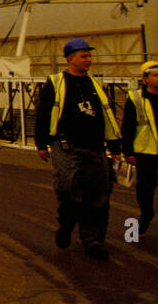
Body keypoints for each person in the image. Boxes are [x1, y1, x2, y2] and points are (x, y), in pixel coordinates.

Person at [35, 38, 122, 259]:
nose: (89, 60)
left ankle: (92, 241)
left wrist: (115, 145)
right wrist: (41, 143)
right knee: (67, 188)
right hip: (66, 146)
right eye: (84, 56)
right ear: (71, 58)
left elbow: (107, 115)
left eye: (90, 56)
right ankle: (67, 222)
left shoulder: (95, 84)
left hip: (95, 147)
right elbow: (44, 113)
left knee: (99, 195)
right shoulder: (56, 82)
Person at [121, 61, 158, 246]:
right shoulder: (136, 99)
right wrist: (128, 152)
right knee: (146, 189)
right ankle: (146, 214)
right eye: (155, 75)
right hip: (146, 152)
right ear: (145, 79)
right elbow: (128, 127)